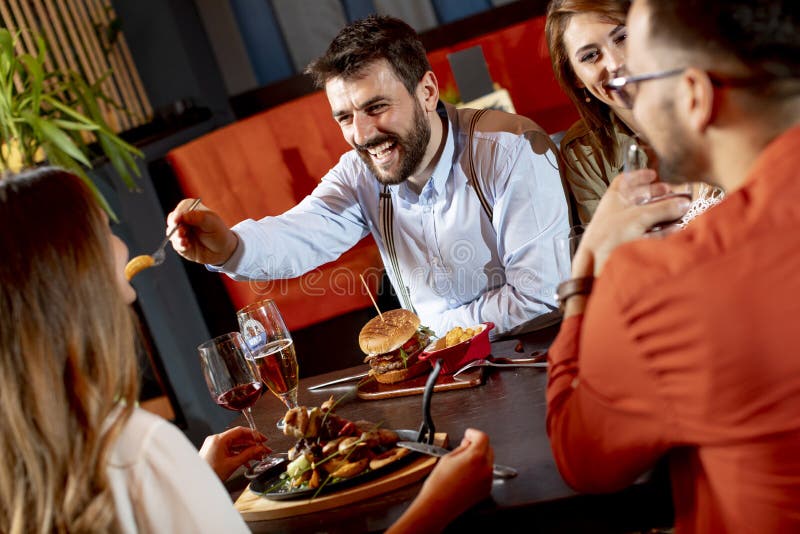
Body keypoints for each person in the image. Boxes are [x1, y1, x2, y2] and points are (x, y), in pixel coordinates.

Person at [0, 167, 493, 532]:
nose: (118, 243)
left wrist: (191, 479)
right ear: (71, 271)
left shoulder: (26, 462)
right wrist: (438, 506)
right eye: (101, 230)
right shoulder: (139, 448)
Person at [545, 0, 800, 531]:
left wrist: (588, 267)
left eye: (642, 73)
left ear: (692, 95)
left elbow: (582, 459)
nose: (622, 77)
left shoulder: (662, 283)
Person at [167, 15, 569, 338]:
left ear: (427, 92)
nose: (361, 134)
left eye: (376, 107)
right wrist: (229, 248)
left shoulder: (508, 148)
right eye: (344, 117)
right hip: (447, 379)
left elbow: (540, 297)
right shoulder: (362, 174)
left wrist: (423, 333)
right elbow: (302, 232)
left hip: (537, 356)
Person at [545, 0, 723, 224]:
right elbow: (609, 252)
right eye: (590, 56)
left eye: (622, 37)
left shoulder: (712, 97)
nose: (614, 63)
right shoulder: (584, 154)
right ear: (574, 78)